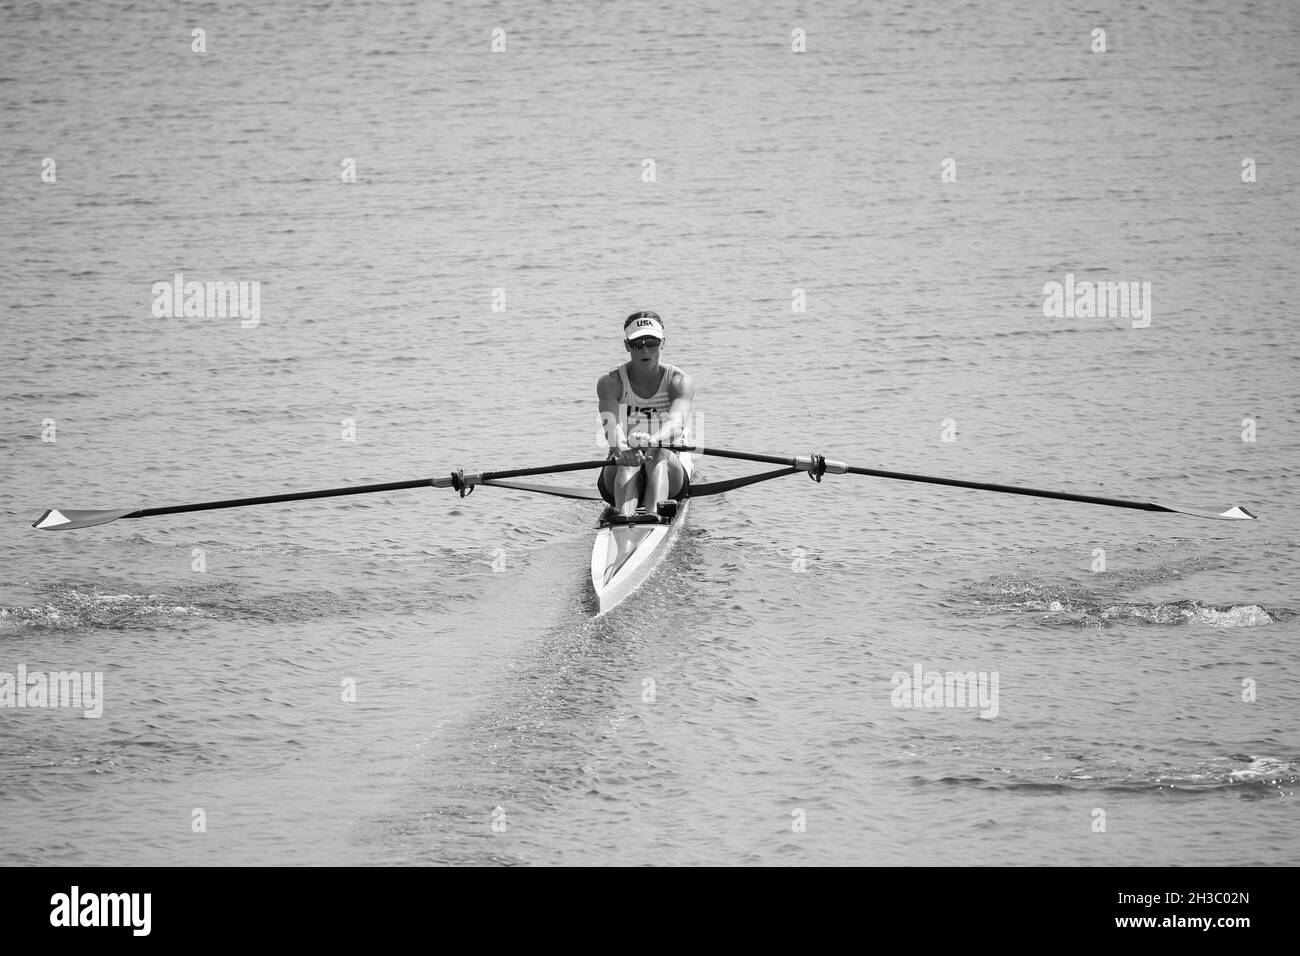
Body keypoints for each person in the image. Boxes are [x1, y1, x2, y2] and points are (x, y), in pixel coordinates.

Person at [597, 310, 695, 517]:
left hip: (669, 469)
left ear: (662, 343)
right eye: (637, 343)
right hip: (620, 464)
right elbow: (610, 426)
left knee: (657, 453)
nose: (645, 350)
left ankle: (653, 516)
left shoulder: (678, 381)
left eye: (651, 342)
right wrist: (622, 449)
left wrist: (652, 440)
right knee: (630, 457)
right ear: (627, 346)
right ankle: (624, 518)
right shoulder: (611, 382)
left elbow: (677, 423)